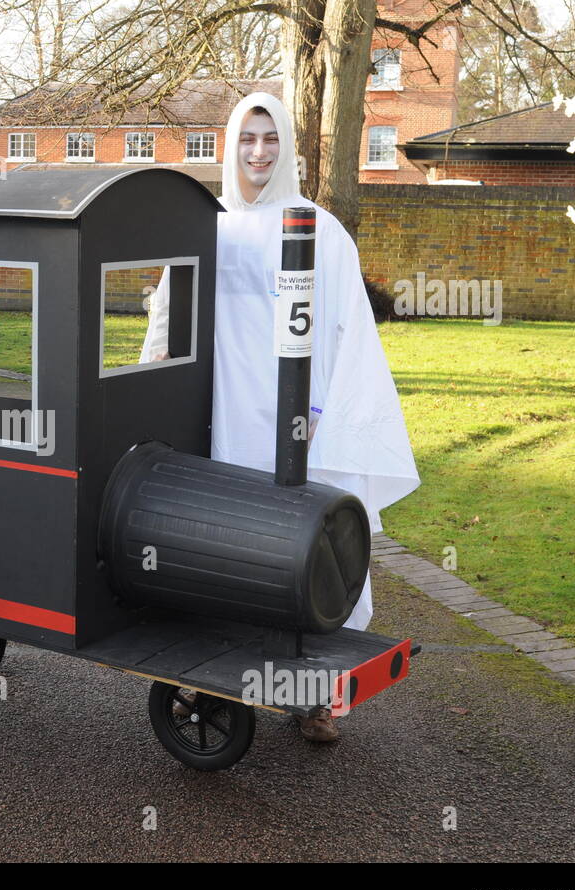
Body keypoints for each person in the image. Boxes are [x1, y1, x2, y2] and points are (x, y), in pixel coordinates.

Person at [148, 93, 420, 742]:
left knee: (312, 547)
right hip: (224, 418)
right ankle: (226, 670)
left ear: (288, 145)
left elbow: (346, 327)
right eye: (248, 138)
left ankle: (316, 694)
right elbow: (169, 310)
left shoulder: (318, 229)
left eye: (271, 138)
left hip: (296, 421)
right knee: (232, 546)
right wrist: (155, 374)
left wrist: (321, 410)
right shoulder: (207, 226)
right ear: (230, 144)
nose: (259, 151)